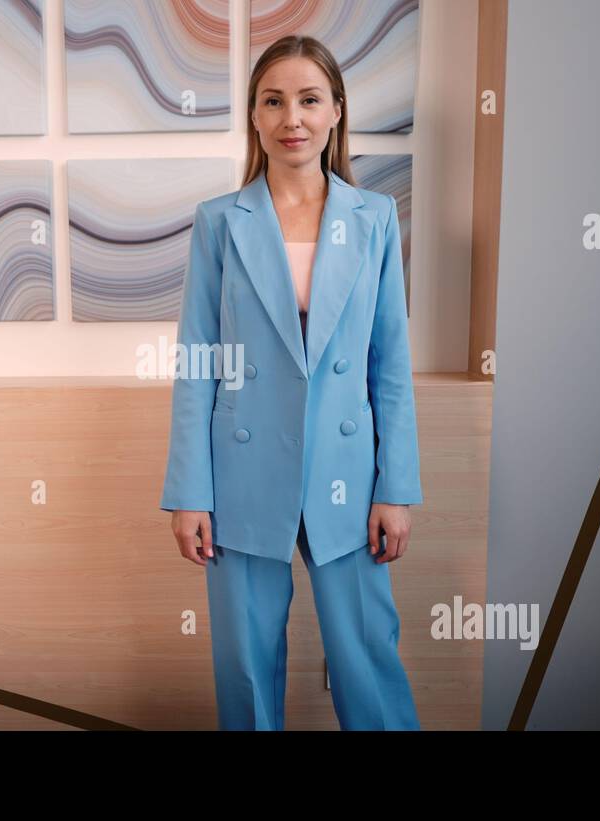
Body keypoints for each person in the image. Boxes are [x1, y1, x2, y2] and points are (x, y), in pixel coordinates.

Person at [158, 34, 424, 731]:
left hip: (349, 476)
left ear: (336, 110)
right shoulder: (220, 222)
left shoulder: (374, 221)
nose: (291, 118)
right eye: (273, 101)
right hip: (243, 472)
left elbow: (389, 364)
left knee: (367, 658)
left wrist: (396, 486)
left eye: (309, 99)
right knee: (245, 668)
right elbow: (197, 362)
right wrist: (189, 492)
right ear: (253, 115)